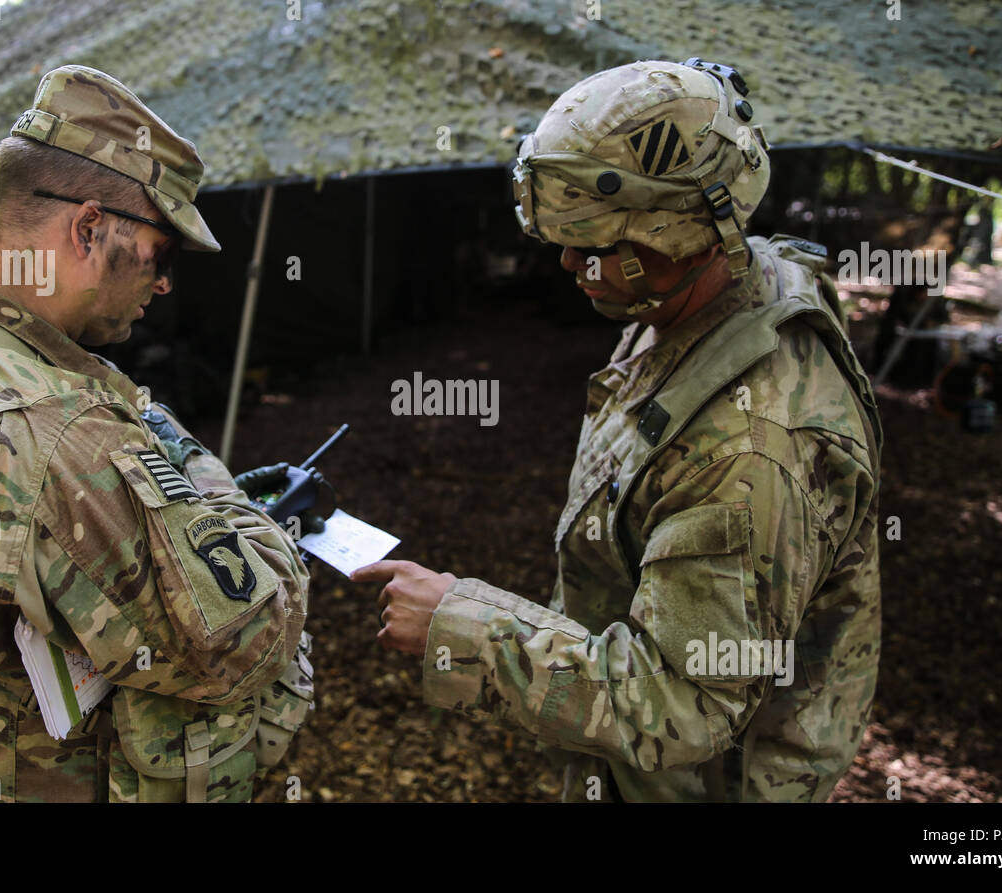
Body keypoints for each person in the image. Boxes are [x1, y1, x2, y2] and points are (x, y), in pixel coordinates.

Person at [354, 59, 884, 802]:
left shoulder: (750, 449)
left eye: (598, 245)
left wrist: (461, 625)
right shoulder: (707, 295)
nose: (572, 262)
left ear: (687, 231)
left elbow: (684, 702)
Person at [0, 65, 313, 802]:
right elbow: (243, 642)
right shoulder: (57, 435)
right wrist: (222, 493)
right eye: (164, 253)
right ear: (89, 227)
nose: (163, 283)